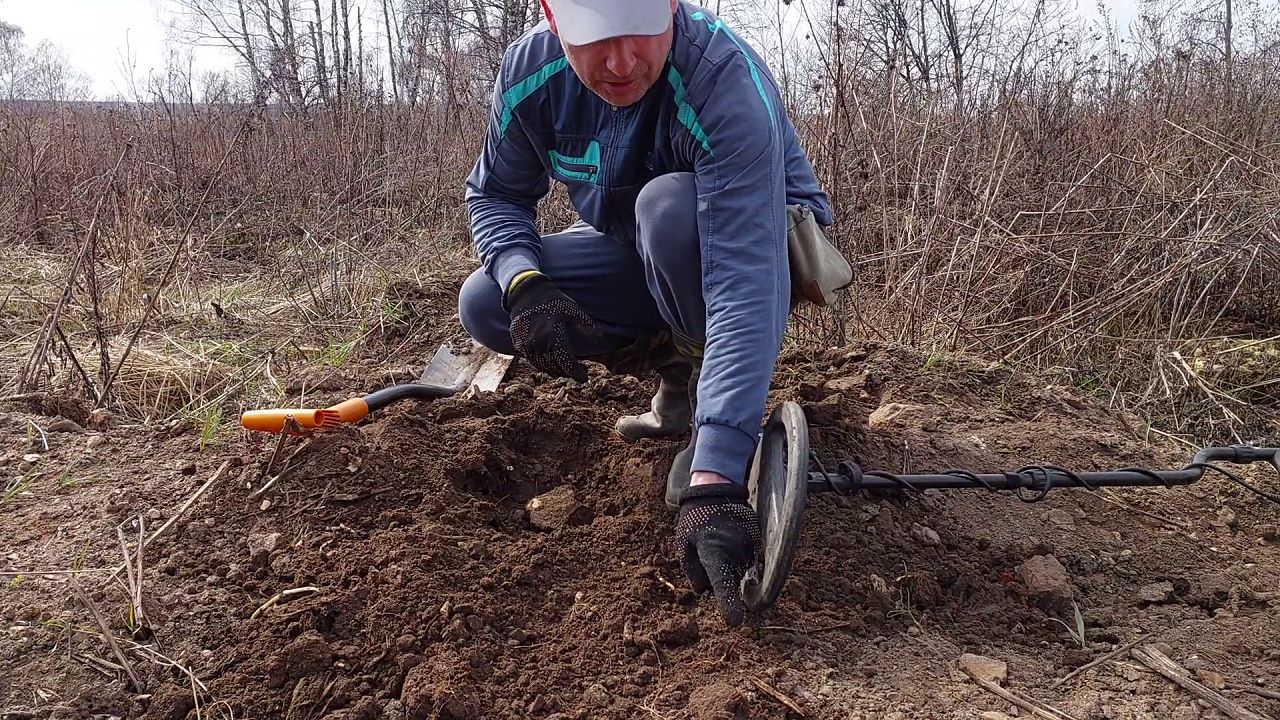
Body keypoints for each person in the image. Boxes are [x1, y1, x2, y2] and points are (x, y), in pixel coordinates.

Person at [457, 0, 837, 626]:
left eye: (639, 33)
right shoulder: (530, 74)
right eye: (597, 40)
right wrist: (523, 283)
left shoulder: (721, 78)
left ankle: (708, 407)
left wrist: (717, 474)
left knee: (666, 210)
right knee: (485, 302)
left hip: (758, 244)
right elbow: (496, 194)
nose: (621, 63)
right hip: (637, 246)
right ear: (554, 21)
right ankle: (675, 374)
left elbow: (743, 278)